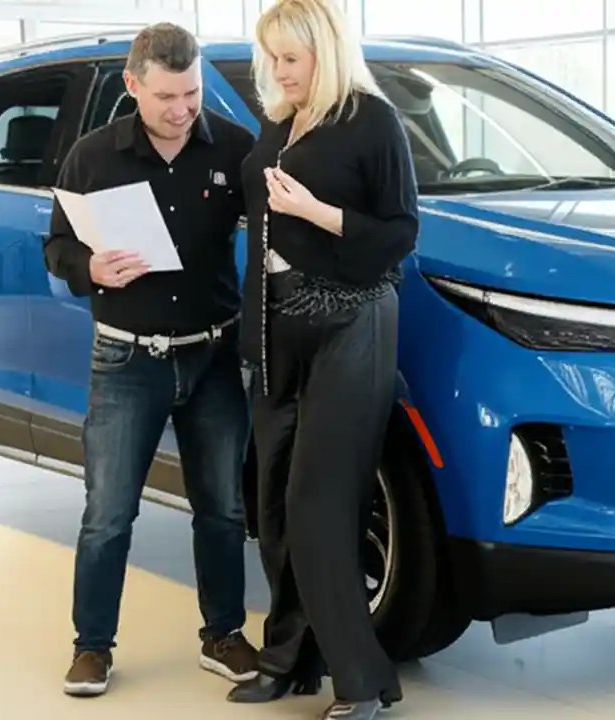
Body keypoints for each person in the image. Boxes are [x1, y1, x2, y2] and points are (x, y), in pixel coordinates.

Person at [43, 22, 259, 697]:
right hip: (125, 361)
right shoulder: (92, 157)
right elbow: (55, 249)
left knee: (223, 507)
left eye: (191, 92)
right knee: (108, 513)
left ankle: (223, 634)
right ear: (133, 85)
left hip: (214, 357)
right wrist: (92, 267)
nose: (181, 108)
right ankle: (92, 647)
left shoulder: (234, 147)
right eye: (166, 95)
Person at [224, 1, 419, 718]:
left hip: (351, 321)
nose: (277, 71)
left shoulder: (371, 120)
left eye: (290, 58)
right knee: (272, 506)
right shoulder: (278, 121)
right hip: (277, 327)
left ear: (324, 52)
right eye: (271, 57)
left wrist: (316, 212)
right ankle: (286, 660)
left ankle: (363, 683)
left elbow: (400, 234)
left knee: (318, 507)